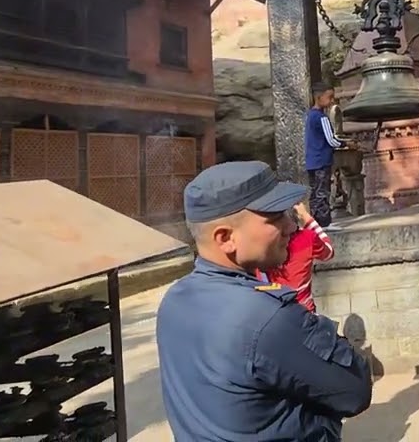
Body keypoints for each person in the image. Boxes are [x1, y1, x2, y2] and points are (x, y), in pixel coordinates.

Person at [156, 160, 372, 441]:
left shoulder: (175, 300)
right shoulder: (265, 317)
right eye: (274, 217)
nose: (290, 227)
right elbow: (355, 390)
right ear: (226, 238)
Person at [260, 200, 335, 313]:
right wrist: (306, 217)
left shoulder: (262, 245)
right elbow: (328, 253)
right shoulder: (307, 238)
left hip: (273, 311)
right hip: (304, 309)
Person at [306, 82, 346, 227]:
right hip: (322, 161)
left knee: (315, 194)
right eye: (329, 97)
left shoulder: (309, 116)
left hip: (311, 161)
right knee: (323, 193)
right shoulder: (321, 117)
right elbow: (331, 140)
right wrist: (345, 144)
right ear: (319, 97)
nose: (332, 101)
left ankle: (316, 223)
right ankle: (324, 223)